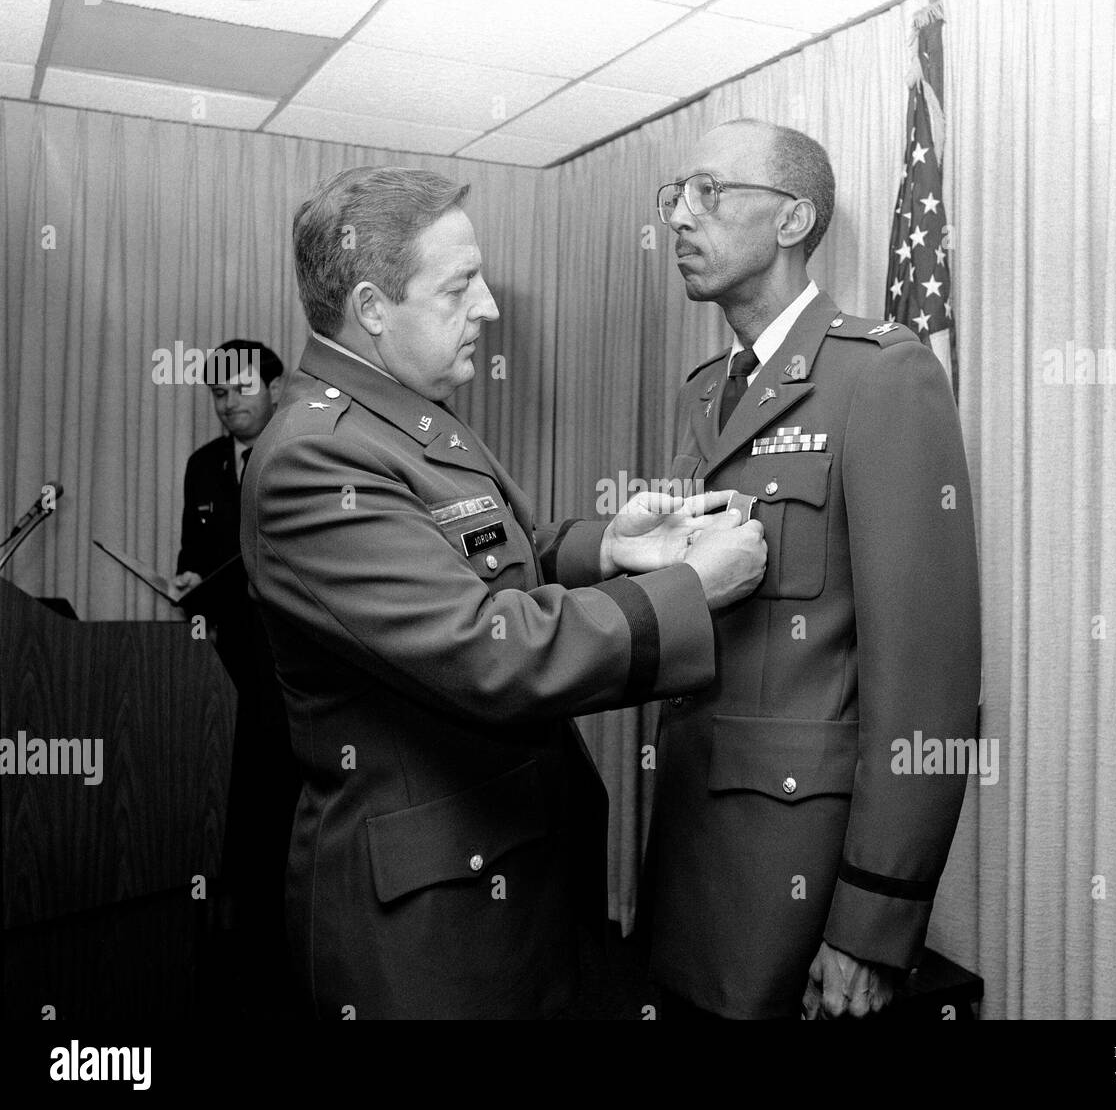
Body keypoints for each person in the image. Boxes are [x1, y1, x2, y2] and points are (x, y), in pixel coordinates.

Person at [241, 165, 766, 1019]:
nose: (488, 306)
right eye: (459, 286)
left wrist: (614, 546)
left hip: (509, 871)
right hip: (427, 924)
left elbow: (500, 555)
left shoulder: (408, 410)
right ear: (373, 309)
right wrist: (689, 590)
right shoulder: (315, 458)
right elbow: (487, 649)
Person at [642, 119, 981, 1020]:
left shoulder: (881, 375)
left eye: (709, 193)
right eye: (676, 196)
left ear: (793, 219)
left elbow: (927, 681)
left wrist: (873, 920)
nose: (680, 216)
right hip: (688, 844)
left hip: (796, 872)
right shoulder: (705, 389)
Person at [174, 340, 300, 1015]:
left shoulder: (298, 455)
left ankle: (290, 954)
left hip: (285, 671)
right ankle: (240, 955)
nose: (228, 404)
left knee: (278, 811)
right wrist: (190, 584)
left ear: (275, 388)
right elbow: (193, 558)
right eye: (218, 394)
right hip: (220, 669)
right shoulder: (203, 466)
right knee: (229, 812)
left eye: (241, 388)